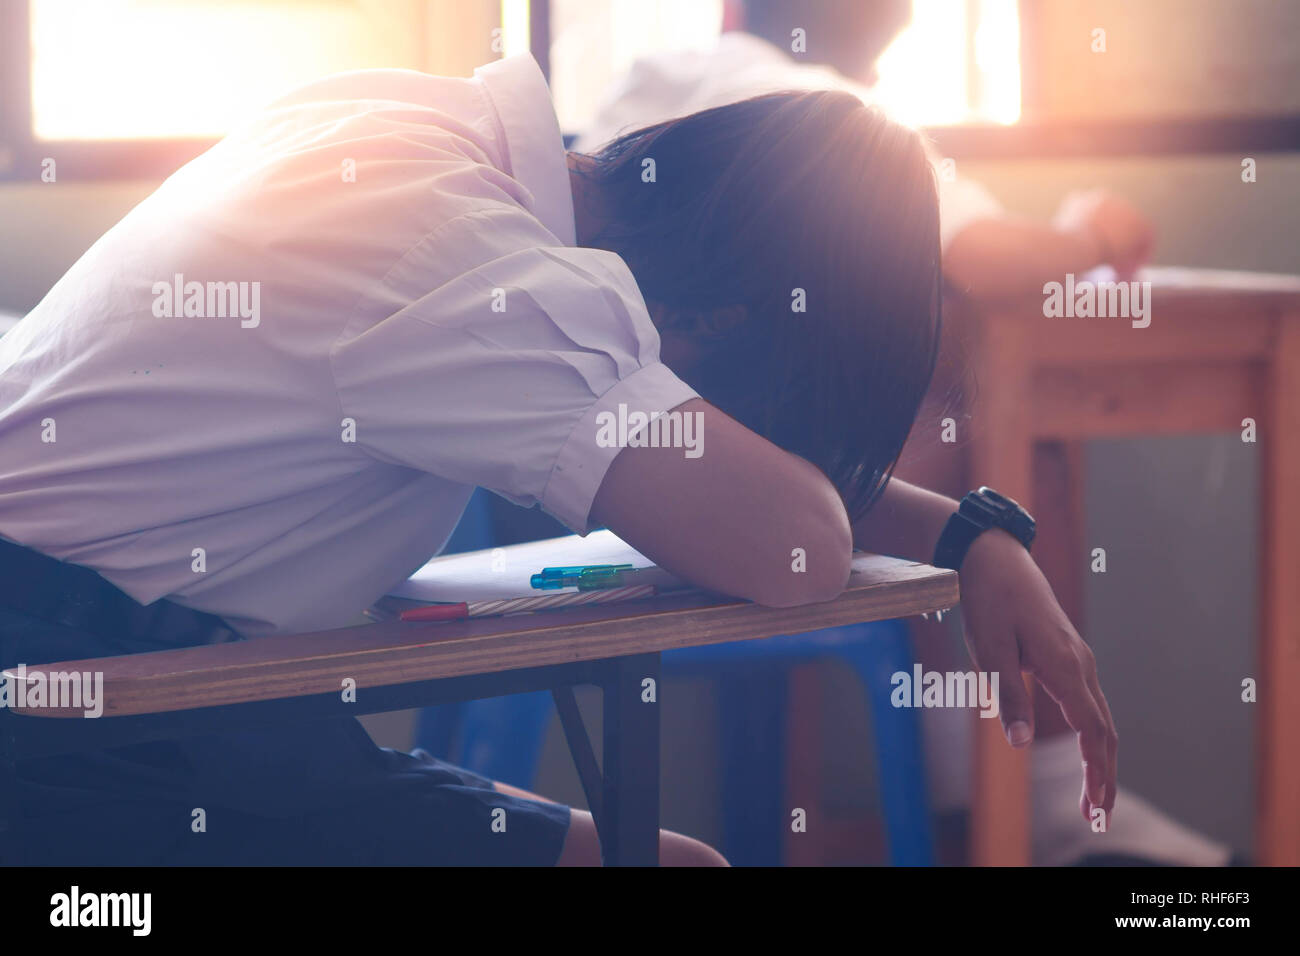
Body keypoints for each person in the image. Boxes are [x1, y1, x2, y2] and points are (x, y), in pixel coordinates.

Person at [0, 53, 1115, 866]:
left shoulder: (416, 130)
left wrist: (969, 535)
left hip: (129, 680)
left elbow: (764, 485)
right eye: (757, 410)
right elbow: (795, 540)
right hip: (72, 726)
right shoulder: (496, 280)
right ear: (725, 320)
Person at [577, 0, 1231, 867]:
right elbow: (985, 256)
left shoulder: (658, 92)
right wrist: (1096, 228)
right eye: (900, 13)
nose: (915, 23)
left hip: (590, 487)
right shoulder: (802, 107)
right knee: (990, 405)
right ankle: (1028, 796)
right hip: (698, 494)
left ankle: (990, 791)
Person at [574, 0, 1156, 303]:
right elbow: (979, 255)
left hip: (560, 435)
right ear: (882, 45)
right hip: (717, 450)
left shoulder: (646, 79)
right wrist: (1091, 235)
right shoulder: (834, 113)